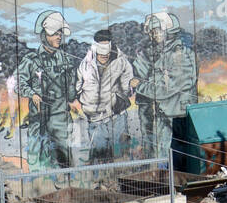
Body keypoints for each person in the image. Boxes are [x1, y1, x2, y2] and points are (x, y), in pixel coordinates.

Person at [17, 11, 80, 171]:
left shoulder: (66, 59)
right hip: (39, 119)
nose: (58, 37)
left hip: (60, 118)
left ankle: (66, 186)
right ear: (44, 35)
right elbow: (18, 82)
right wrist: (32, 94)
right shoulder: (31, 60)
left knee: (63, 159)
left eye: (60, 33)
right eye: (54, 34)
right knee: (37, 159)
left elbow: (72, 89)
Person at [133, 13, 199, 163]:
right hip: (167, 113)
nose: (155, 35)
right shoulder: (165, 53)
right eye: (153, 31)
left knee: (181, 159)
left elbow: (167, 88)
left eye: (159, 30)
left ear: (169, 30)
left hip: (178, 116)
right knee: (164, 156)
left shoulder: (179, 55)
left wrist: (140, 86)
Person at [76, 29, 139, 164]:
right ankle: (102, 183)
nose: (104, 55)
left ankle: (118, 182)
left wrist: (128, 88)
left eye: (107, 50)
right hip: (95, 119)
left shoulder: (121, 62)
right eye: (101, 51)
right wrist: (85, 101)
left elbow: (127, 87)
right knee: (99, 158)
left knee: (120, 155)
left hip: (117, 117)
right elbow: (78, 84)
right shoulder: (85, 64)